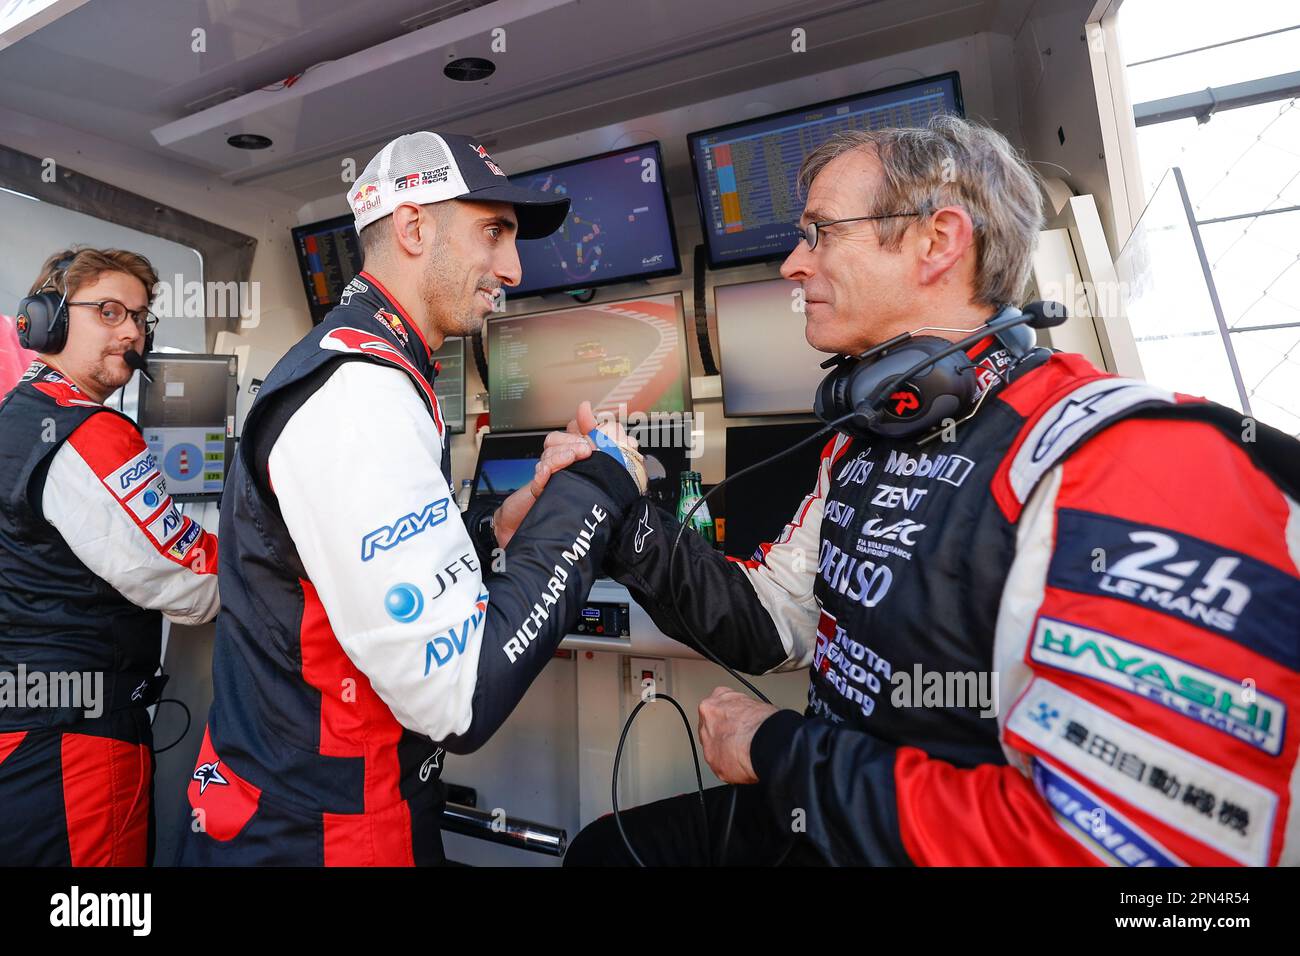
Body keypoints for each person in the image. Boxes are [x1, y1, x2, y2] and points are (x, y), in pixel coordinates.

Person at [561, 115, 1300, 866]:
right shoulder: (865, 437)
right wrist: (621, 510)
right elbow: (771, 620)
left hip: (893, 821)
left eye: (819, 232)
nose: (792, 265)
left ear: (938, 241)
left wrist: (778, 750)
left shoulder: (1121, 457)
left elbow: (1113, 844)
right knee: (603, 855)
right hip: (827, 811)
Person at [178, 131, 646, 865]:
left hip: (292, 798)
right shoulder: (359, 394)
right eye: (494, 232)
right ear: (413, 227)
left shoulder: (358, 364)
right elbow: (459, 697)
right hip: (328, 828)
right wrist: (598, 489)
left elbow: (349, 572)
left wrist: (499, 530)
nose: (514, 269)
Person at [0, 248, 220, 865]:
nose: (131, 332)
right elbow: (188, 583)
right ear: (49, 321)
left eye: (141, 318)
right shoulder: (89, 431)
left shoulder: (15, 417)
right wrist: (277, 559)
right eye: (109, 311)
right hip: (77, 743)